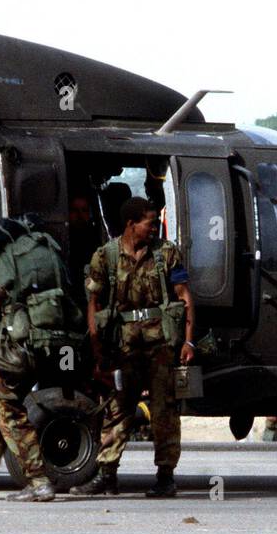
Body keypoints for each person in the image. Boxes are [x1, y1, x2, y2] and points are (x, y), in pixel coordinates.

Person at [0, 216, 87, 502]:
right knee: (2, 406)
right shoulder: (37, 258)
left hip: (16, 347)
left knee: (11, 414)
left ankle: (39, 481)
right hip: (49, 341)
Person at [73, 197, 195, 497]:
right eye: (149, 223)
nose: (154, 228)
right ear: (131, 224)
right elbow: (94, 304)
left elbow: (184, 297)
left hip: (161, 344)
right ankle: (107, 476)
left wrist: (189, 340)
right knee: (118, 409)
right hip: (123, 346)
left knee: (164, 410)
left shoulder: (166, 254)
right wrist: (97, 347)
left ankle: (166, 477)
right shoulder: (106, 256)